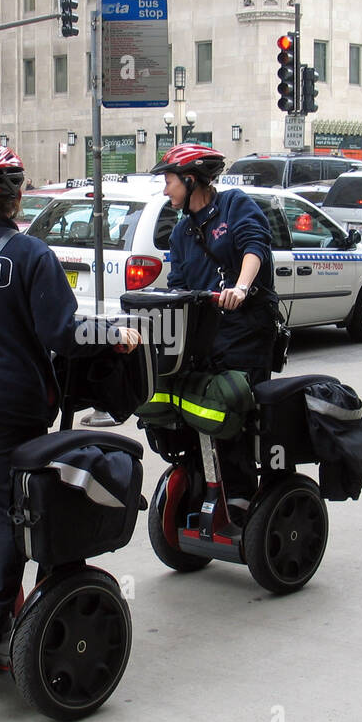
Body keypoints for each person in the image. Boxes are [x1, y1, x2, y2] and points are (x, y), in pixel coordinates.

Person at [0, 143, 139, 686]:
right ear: (13, 195)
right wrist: (115, 334)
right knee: (7, 510)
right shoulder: (30, 255)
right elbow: (62, 335)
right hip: (8, 405)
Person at [153, 143, 279, 518]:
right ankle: (201, 479)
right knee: (196, 404)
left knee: (234, 404)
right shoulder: (181, 233)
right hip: (206, 334)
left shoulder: (234, 205)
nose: (165, 190)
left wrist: (240, 287)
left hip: (247, 329)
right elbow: (177, 284)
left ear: (191, 181)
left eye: (170, 182)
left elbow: (255, 245)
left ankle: (240, 494)